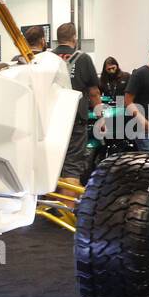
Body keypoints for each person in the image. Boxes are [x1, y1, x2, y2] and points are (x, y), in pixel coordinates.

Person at [52, 22, 100, 187]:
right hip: (75, 121)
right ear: (74, 38)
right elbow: (93, 92)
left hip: (51, 120)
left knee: (52, 166)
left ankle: (50, 210)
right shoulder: (83, 58)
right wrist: (100, 117)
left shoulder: (48, 59)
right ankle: (67, 211)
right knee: (72, 167)